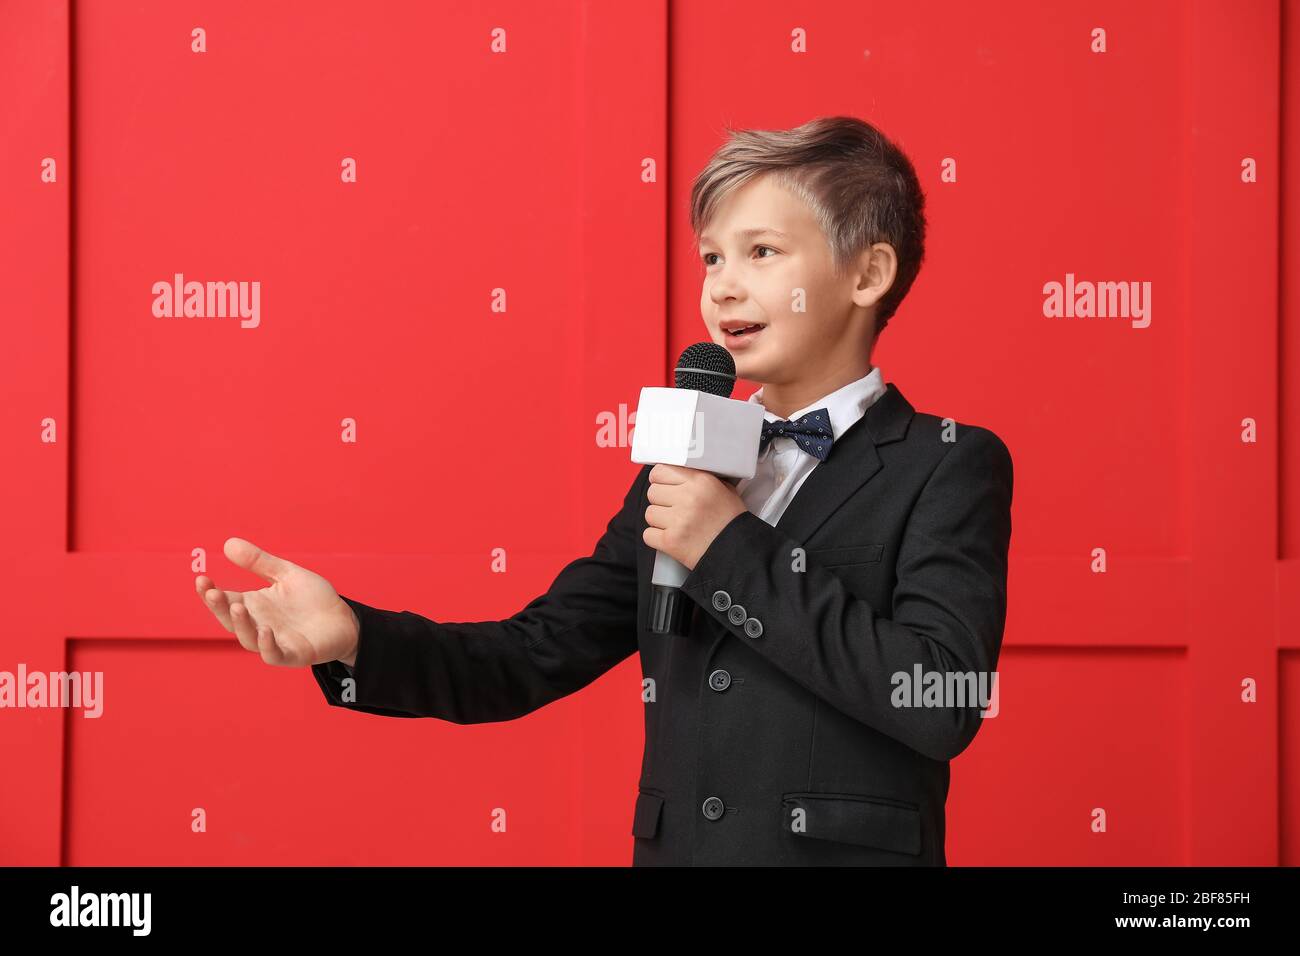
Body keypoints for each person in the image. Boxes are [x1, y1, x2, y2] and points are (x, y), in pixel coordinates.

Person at [196, 115, 1013, 865]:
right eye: (713, 257)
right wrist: (355, 640)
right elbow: (530, 654)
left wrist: (727, 545)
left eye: (762, 252)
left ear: (868, 274)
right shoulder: (682, 467)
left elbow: (940, 699)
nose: (723, 286)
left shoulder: (946, 464)